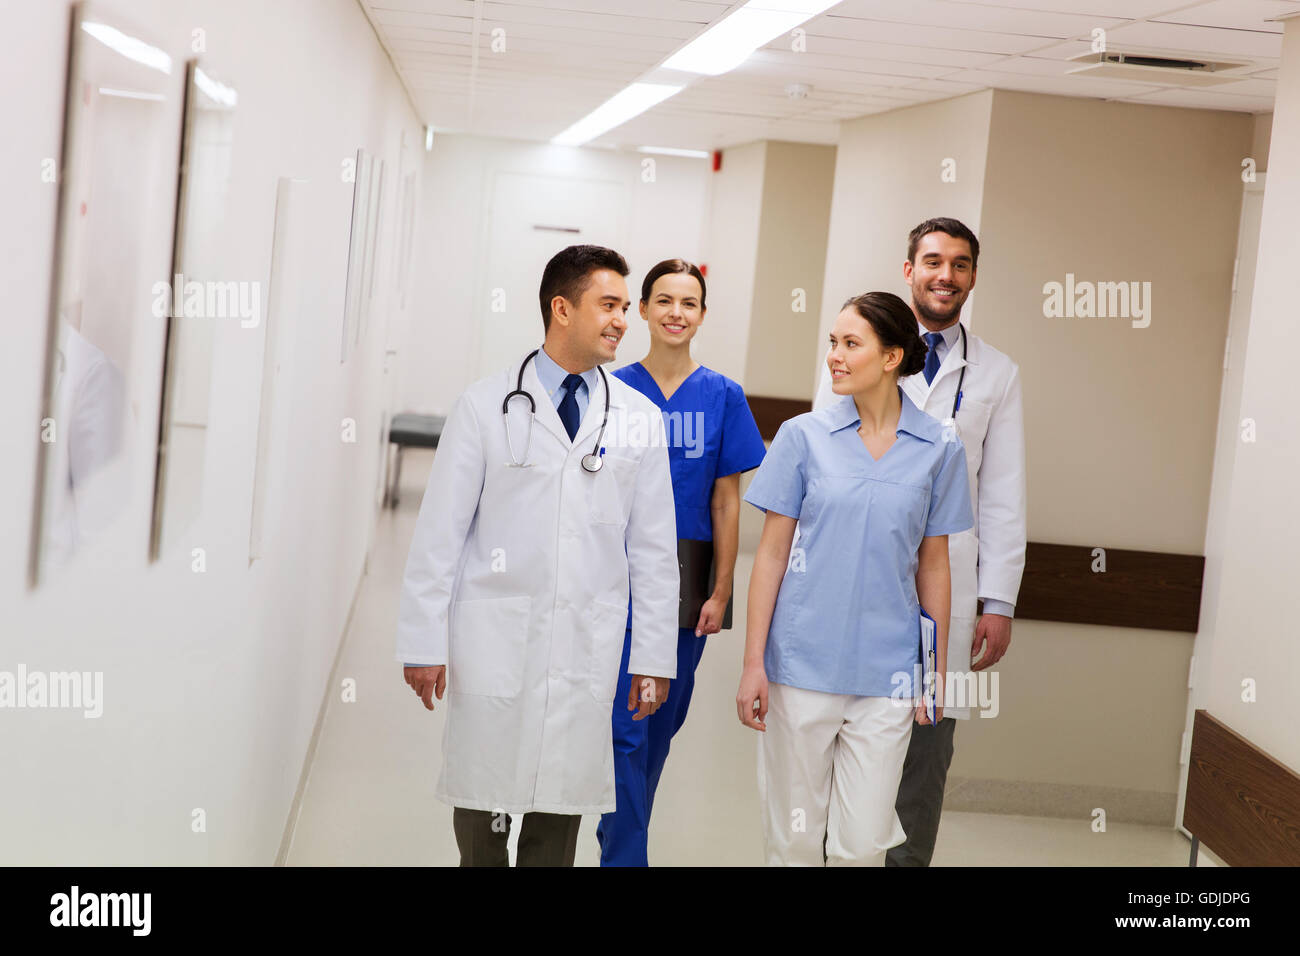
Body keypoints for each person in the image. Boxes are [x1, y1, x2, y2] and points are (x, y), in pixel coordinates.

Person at [395, 244, 680, 867]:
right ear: (561, 309)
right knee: (482, 814)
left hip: (587, 641)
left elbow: (656, 552)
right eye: (608, 305)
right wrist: (422, 642)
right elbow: (439, 535)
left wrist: (654, 656)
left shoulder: (638, 419)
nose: (622, 321)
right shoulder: (483, 406)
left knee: (558, 820)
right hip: (496, 636)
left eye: (625, 308)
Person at [811, 218, 1026, 866]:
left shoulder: (996, 373)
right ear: (908, 270)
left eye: (960, 264)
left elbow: (1004, 493)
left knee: (925, 758)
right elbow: (821, 463)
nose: (945, 275)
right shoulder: (855, 348)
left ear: (973, 277)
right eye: (933, 260)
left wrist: (999, 600)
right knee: (841, 747)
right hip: (856, 584)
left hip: (948, 592)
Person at [738, 291, 973, 866]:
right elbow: (770, 555)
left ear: (892, 357)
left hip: (888, 672)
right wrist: (752, 665)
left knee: (865, 843)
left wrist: (934, 671)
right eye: (832, 343)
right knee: (794, 838)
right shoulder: (802, 437)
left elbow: (934, 563)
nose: (835, 357)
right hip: (800, 663)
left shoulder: (939, 446)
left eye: (850, 344)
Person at [596, 258, 766, 867]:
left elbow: (726, 498)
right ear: (641, 309)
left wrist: (722, 592)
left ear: (702, 315)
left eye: (688, 303)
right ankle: (625, 856)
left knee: (661, 727)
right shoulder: (611, 388)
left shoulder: (723, 396)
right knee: (627, 726)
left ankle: (618, 836)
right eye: (662, 300)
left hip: (689, 580)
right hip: (618, 576)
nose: (675, 312)